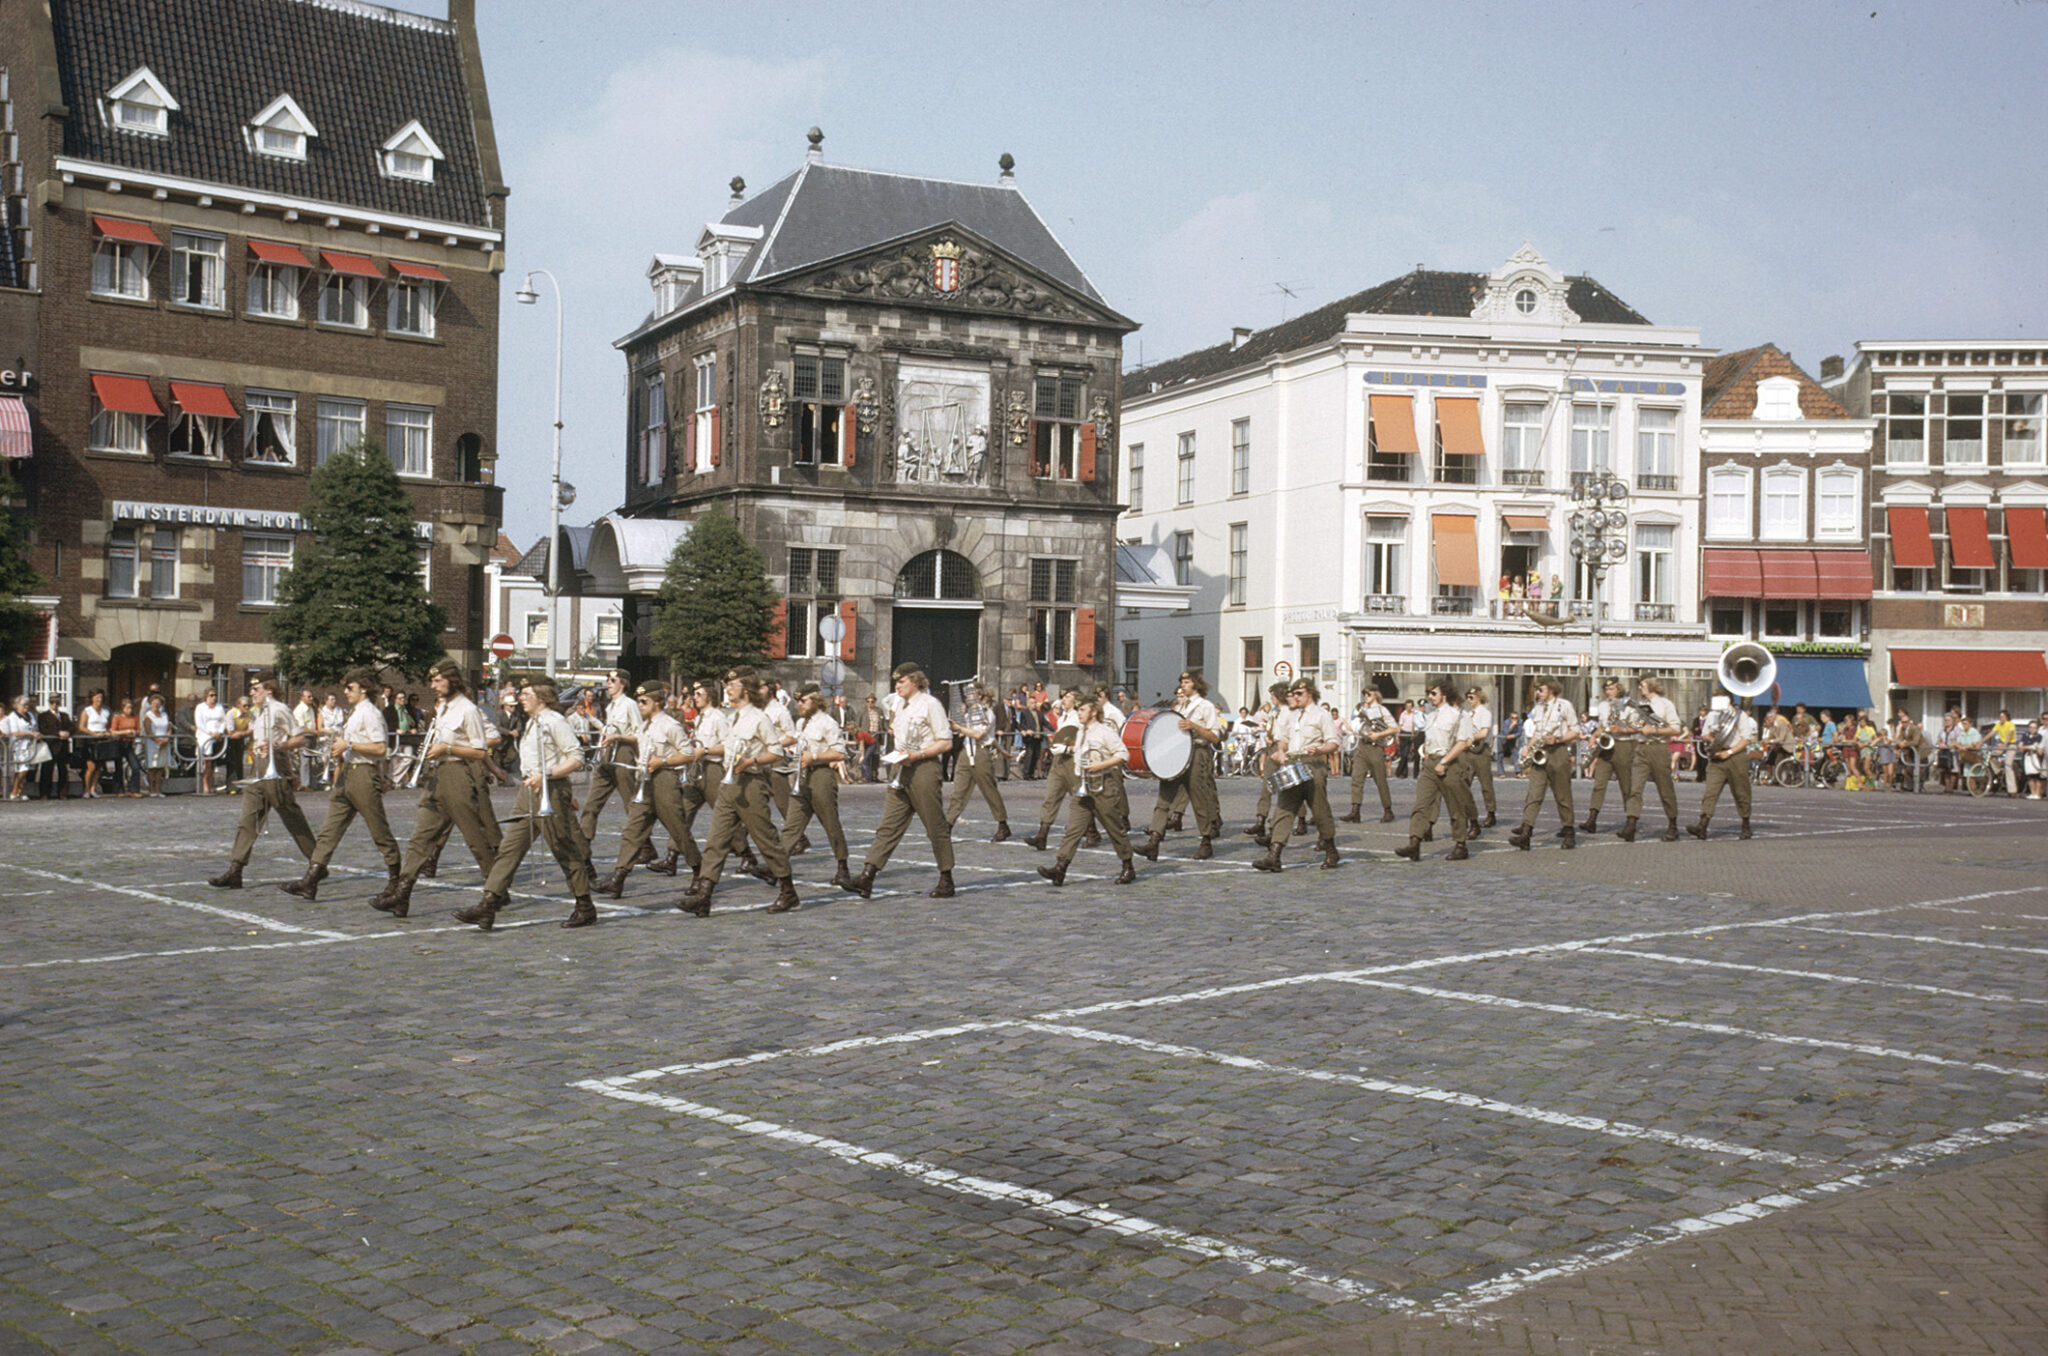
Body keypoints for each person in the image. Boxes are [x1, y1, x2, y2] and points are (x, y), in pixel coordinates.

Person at [459, 680, 595, 931]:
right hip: (529, 790)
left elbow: (576, 757)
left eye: (527, 694)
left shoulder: (554, 721)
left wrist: (551, 776)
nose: (521, 697)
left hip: (548, 789)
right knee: (510, 848)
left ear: (541, 698)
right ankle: (488, 904)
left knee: (563, 847)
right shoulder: (533, 722)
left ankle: (585, 905)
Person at [372, 661, 504, 918]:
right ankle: (402, 893)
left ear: (451, 680)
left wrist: (448, 749)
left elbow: (479, 751)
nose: (432, 685)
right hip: (438, 775)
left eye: (437, 680)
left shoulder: (468, 710)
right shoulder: (443, 708)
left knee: (476, 838)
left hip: (458, 774)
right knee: (421, 836)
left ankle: (495, 894)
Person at [679, 671, 799, 914]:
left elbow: (776, 752)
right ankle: (704, 895)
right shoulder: (734, 716)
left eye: (732, 685)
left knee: (766, 839)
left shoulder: (759, 718)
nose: (728, 689)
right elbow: (730, 747)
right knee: (716, 840)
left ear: (746, 688)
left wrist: (751, 760)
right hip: (728, 784)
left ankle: (788, 891)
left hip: (751, 784)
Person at [281, 671, 402, 901]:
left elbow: (380, 749)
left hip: (364, 775)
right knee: (329, 829)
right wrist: (342, 749)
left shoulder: (371, 713)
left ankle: (396, 882)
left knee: (379, 831)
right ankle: (311, 880)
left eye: (350, 687)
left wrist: (351, 745)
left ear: (363, 689)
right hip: (348, 774)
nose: (345, 692)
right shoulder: (355, 713)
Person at [847, 665, 956, 899]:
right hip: (902, 768)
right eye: (896, 682)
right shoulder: (900, 706)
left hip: (924, 768)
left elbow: (945, 742)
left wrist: (919, 755)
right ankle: (867, 876)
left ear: (916, 682)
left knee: (934, 825)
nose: (897, 686)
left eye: (902, 682)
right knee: (889, 824)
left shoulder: (930, 705)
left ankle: (946, 877)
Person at [595, 682, 709, 899]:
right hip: (645, 782)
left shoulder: (670, 725)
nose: (640, 705)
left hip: (665, 781)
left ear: (657, 701)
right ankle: (617, 879)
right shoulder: (644, 726)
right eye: (638, 701)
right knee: (633, 830)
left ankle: (699, 872)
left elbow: (688, 754)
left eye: (644, 701)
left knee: (678, 831)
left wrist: (663, 761)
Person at [208, 680, 317, 888]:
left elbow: (299, 739)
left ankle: (318, 863)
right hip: (258, 766)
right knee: (248, 818)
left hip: (275, 764)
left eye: (256, 689)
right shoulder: (260, 712)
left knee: (291, 816)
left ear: (269, 690)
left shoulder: (279, 710)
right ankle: (235, 869)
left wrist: (278, 745)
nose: (251, 693)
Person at [758, 684, 853, 891]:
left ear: (816, 701)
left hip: (821, 776)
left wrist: (815, 757)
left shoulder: (828, 723)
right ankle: (776, 867)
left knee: (830, 823)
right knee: (792, 826)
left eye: (804, 701)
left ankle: (842, 867)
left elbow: (840, 754)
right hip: (802, 777)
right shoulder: (801, 723)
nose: (799, 704)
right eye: (798, 701)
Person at [1035, 696, 1138, 886]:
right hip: (1082, 787)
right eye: (1078, 709)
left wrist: (1100, 765)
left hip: (1103, 787)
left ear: (1093, 712)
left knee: (1115, 829)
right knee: (1073, 830)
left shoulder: (1105, 732)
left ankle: (1128, 866)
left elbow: (1123, 754)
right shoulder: (1081, 731)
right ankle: (1060, 868)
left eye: (1082, 710)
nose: (1079, 713)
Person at [1136, 670, 1225, 861]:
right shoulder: (1181, 706)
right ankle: (1154, 841)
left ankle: (1206, 840)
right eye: (1182, 682)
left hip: (1197, 754)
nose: (1183, 685)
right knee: (1164, 799)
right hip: (1177, 755)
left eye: (1187, 681)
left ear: (1196, 684)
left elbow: (1215, 736)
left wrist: (1194, 726)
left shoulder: (1205, 706)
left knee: (1199, 799)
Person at [1257, 678, 1342, 871]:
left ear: (1309, 693)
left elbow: (1333, 742)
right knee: (1284, 807)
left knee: (1319, 809)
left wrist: (1319, 750)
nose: (1294, 697)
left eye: (1298, 694)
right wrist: (1280, 752)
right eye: (1293, 693)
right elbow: (1284, 738)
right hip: (1292, 763)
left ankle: (1331, 850)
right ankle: (1274, 856)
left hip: (1312, 763)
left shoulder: (1322, 715)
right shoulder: (1293, 715)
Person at [1397, 682, 1475, 862]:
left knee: (1455, 807)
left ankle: (1460, 845)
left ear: (1444, 695)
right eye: (1428, 693)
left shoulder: (1458, 716)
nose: (1430, 697)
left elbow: (1462, 742)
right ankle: (1414, 844)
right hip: (1430, 763)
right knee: (1421, 804)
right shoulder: (1430, 716)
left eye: (1433, 693)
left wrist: (1444, 761)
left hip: (1450, 763)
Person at [1508, 678, 1581, 850]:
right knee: (1534, 794)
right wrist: (1529, 747)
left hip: (1558, 752)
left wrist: (1559, 738)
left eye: (1540, 690)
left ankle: (1569, 832)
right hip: (1541, 753)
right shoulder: (1538, 708)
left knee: (1562, 795)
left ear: (1551, 690)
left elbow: (1576, 731)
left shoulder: (1564, 705)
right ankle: (1526, 833)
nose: (1537, 693)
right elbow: (1538, 732)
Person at [945, 684, 1011, 842]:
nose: (967, 696)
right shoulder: (969, 714)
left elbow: (979, 734)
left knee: (989, 791)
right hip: (966, 753)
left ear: (980, 695)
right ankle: (947, 826)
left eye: (971, 693)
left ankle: (1003, 824)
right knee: (958, 792)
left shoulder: (986, 713)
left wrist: (959, 727)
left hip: (980, 753)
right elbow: (969, 734)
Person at [1024, 688, 1085, 850]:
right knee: (1051, 796)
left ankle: (1092, 832)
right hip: (1059, 761)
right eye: (1063, 696)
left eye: (1068, 696)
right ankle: (1042, 835)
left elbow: (1078, 740)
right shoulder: (1061, 718)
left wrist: (1066, 748)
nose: (1064, 699)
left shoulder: (1078, 717)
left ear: (1076, 700)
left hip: (1072, 759)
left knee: (1079, 797)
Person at [1690, 696, 1758, 839]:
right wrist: (1714, 739)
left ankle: (1746, 825)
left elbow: (1746, 739)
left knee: (1741, 792)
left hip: (1735, 756)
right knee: (1710, 792)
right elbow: (1704, 735)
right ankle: (1702, 825)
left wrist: (1729, 752)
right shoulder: (1712, 714)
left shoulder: (1740, 716)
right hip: (1716, 757)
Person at [1580, 678, 1632, 835]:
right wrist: (1593, 736)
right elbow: (1602, 726)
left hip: (1622, 745)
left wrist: (1621, 730)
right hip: (1605, 746)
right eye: (1607, 689)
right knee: (1599, 784)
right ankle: (1592, 819)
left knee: (1626, 786)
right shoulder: (1603, 706)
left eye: (1612, 689)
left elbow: (1637, 727)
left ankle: (1630, 821)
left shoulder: (1628, 705)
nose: (1608, 692)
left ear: (1619, 689)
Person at [1341, 689, 1397, 824]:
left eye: (1369, 694)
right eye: (1364, 694)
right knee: (1356, 779)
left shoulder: (1382, 710)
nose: (1365, 697)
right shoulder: (1361, 709)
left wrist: (1379, 734)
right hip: (1362, 746)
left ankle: (1388, 810)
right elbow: (1355, 724)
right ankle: (1355, 811)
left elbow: (1394, 728)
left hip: (1375, 747)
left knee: (1380, 781)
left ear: (1376, 696)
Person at [1466, 685, 1499, 827]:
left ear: (1479, 697)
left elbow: (1484, 733)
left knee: (1486, 783)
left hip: (1481, 750)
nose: (1469, 700)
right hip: (1468, 750)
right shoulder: (1469, 714)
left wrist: (1470, 737)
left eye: (1471, 697)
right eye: (1467, 697)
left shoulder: (1484, 713)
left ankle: (1491, 813)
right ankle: (1465, 812)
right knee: (1464, 782)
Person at [4, 695, 47, 799]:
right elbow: (15, 732)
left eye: (27, 705)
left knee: (26, 770)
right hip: (18, 746)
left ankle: (20, 791)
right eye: (24, 705)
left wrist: (36, 734)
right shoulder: (13, 716)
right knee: (21, 770)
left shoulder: (30, 715)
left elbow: (34, 727)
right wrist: (31, 734)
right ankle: (14, 792)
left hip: (29, 745)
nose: (26, 707)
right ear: (17, 706)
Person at [192, 688, 230, 795]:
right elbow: (199, 723)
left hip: (217, 736)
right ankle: (204, 785)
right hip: (205, 736)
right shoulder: (200, 707)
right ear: (206, 696)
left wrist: (219, 732)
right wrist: (210, 733)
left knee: (212, 763)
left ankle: (211, 783)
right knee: (206, 761)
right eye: (211, 695)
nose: (214, 697)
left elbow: (223, 721)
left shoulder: (219, 707)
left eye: (215, 695)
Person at [35, 693, 72, 801]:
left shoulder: (64, 716)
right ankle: (44, 793)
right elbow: (44, 729)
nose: (55, 705)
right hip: (50, 746)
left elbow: (72, 727)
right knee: (46, 771)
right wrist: (58, 733)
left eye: (57, 702)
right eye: (52, 702)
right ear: (49, 703)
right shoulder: (43, 716)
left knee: (63, 771)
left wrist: (68, 732)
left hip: (62, 747)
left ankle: (62, 793)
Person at [76, 690, 113, 798]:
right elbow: (81, 727)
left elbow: (108, 725)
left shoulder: (106, 711)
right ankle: (86, 789)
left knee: (98, 767)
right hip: (90, 740)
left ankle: (93, 789)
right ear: (92, 698)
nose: (99, 700)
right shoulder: (87, 711)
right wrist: (93, 734)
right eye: (96, 697)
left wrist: (106, 732)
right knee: (91, 767)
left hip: (102, 740)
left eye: (100, 697)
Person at [108, 697, 144, 796]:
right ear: (123, 708)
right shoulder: (117, 717)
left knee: (135, 766)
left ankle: (134, 789)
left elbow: (138, 730)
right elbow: (113, 731)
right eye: (127, 708)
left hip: (129, 744)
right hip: (119, 743)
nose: (130, 710)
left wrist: (134, 732)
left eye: (131, 708)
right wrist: (125, 732)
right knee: (119, 767)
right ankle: (119, 789)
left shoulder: (135, 717)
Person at [139, 693, 173, 798]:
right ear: (150, 704)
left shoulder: (164, 715)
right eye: (154, 703)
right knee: (152, 767)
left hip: (164, 743)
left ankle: (158, 789)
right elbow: (148, 731)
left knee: (160, 767)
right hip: (153, 743)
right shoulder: (148, 715)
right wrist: (158, 740)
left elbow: (169, 728)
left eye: (158, 703)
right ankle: (151, 789)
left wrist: (166, 738)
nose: (156, 705)